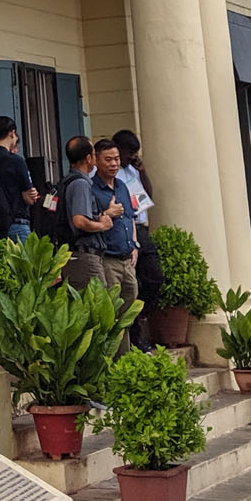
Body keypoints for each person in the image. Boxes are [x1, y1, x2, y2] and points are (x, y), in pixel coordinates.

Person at [87, 137, 141, 353]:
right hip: (107, 258)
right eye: (108, 159)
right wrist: (107, 213)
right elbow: (84, 220)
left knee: (128, 312)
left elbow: (130, 218)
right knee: (112, 312)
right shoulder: (91, 188)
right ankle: (117, 357)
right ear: (96, 161)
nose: (114, 164)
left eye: (116, 159)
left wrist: (135, 244)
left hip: (127, 259)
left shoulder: (122, 186)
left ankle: (125, 355)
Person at [112, 129, 163, 348]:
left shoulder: (132, 170)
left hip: (141, 227)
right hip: (124, 228)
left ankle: (141, 315)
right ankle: (134, 335)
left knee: (154, 276)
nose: (131, 157)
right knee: (131, 283)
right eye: (129, 153)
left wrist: (142, 172)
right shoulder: (112, 172)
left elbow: (147, 195)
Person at [0, 117, 40, 243]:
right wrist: (33, 194)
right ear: (12, 133)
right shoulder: (17, 161)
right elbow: (29, 198)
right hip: (17, 223)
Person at [59, 136, 110, 293]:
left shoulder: (67, 181)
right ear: (88, 158)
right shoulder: (81, 184)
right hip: (84, 256)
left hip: (74, 255)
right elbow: (79, 220)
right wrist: (102, 225)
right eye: (94, 154)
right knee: (96, 300)